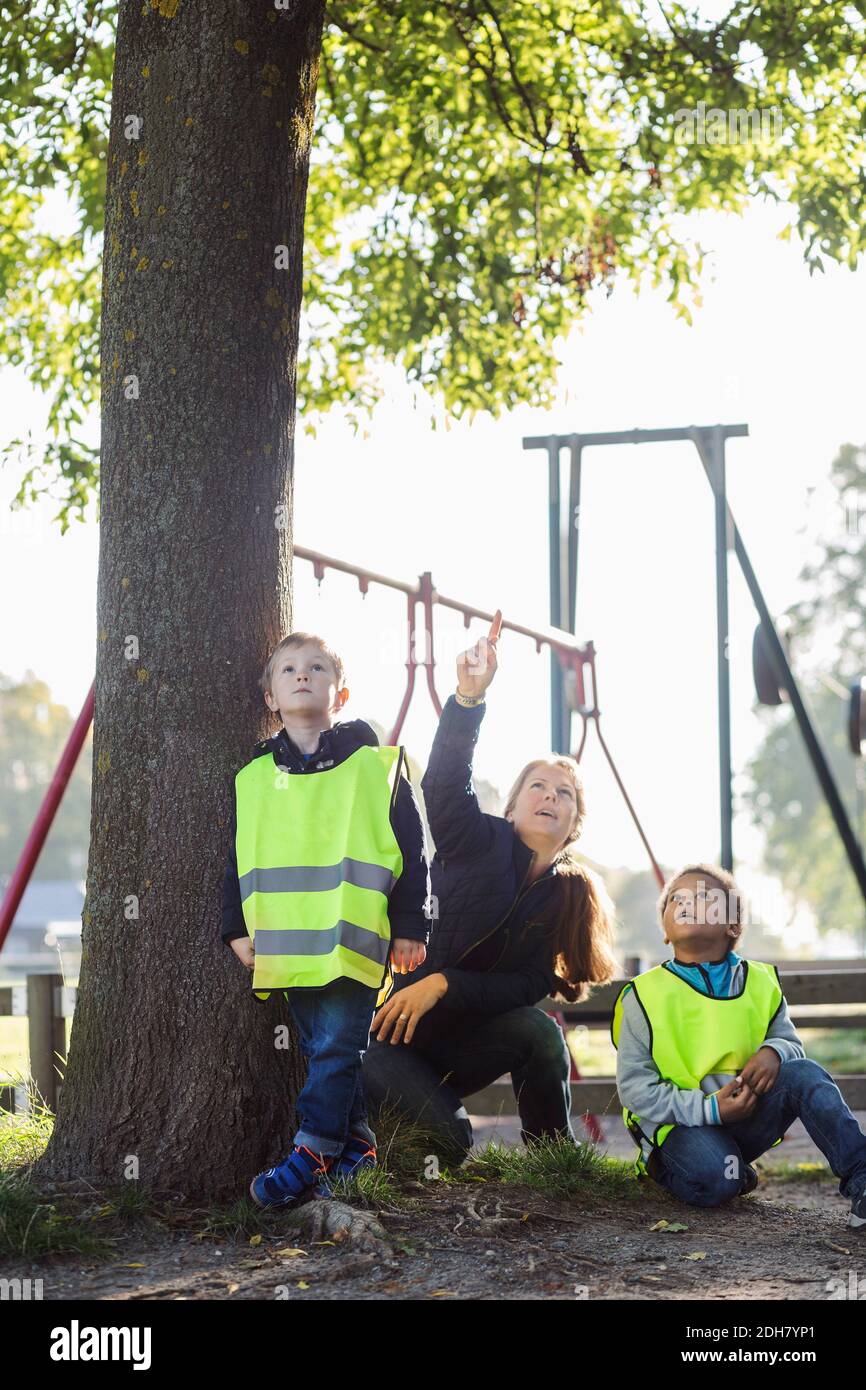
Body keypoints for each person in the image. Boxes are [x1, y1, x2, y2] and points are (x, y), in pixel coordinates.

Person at [362, 610, 618, 1165]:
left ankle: (554, 1159)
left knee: (538, 1032)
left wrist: (446, 986)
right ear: (513, 803)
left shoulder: (569, 895)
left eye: (565, 793)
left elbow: (527, 986)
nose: (550, 796)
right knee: (449, 1148)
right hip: (391, 1037)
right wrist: (467, 700)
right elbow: (444, 783)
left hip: (464, 1043)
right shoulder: (478, 841)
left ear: (575, 822)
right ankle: (373, 1128)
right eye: (538, 786)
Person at [221, 631, 430, 1209]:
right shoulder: (255, 776)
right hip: (286, 943)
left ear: (341, 692)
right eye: (288, 669)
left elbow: (412, 852)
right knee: (325, 1052)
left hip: (354, 939)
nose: (302, 675)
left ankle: (311, 1150)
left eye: (317, 667)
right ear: (270, 697)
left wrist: (412, 925)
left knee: (337, 1049)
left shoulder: (375, 766)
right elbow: (236, 855)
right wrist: (234, 927)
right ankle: (358, 1148)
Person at [612, 862, 866, 1227]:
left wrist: (774, 1052)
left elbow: (792, 1045)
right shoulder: (642, 995)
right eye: (675, 899)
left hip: (747, 1116)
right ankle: (680, 1169)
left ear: (732, 924)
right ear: (666, 931)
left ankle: (862, 1178)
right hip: (680, 1125)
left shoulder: (761, 982)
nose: (686, 902)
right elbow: (635, 1091)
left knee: (806, 1074)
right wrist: (710, 1111)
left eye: (702, 897)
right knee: (717, 1184)